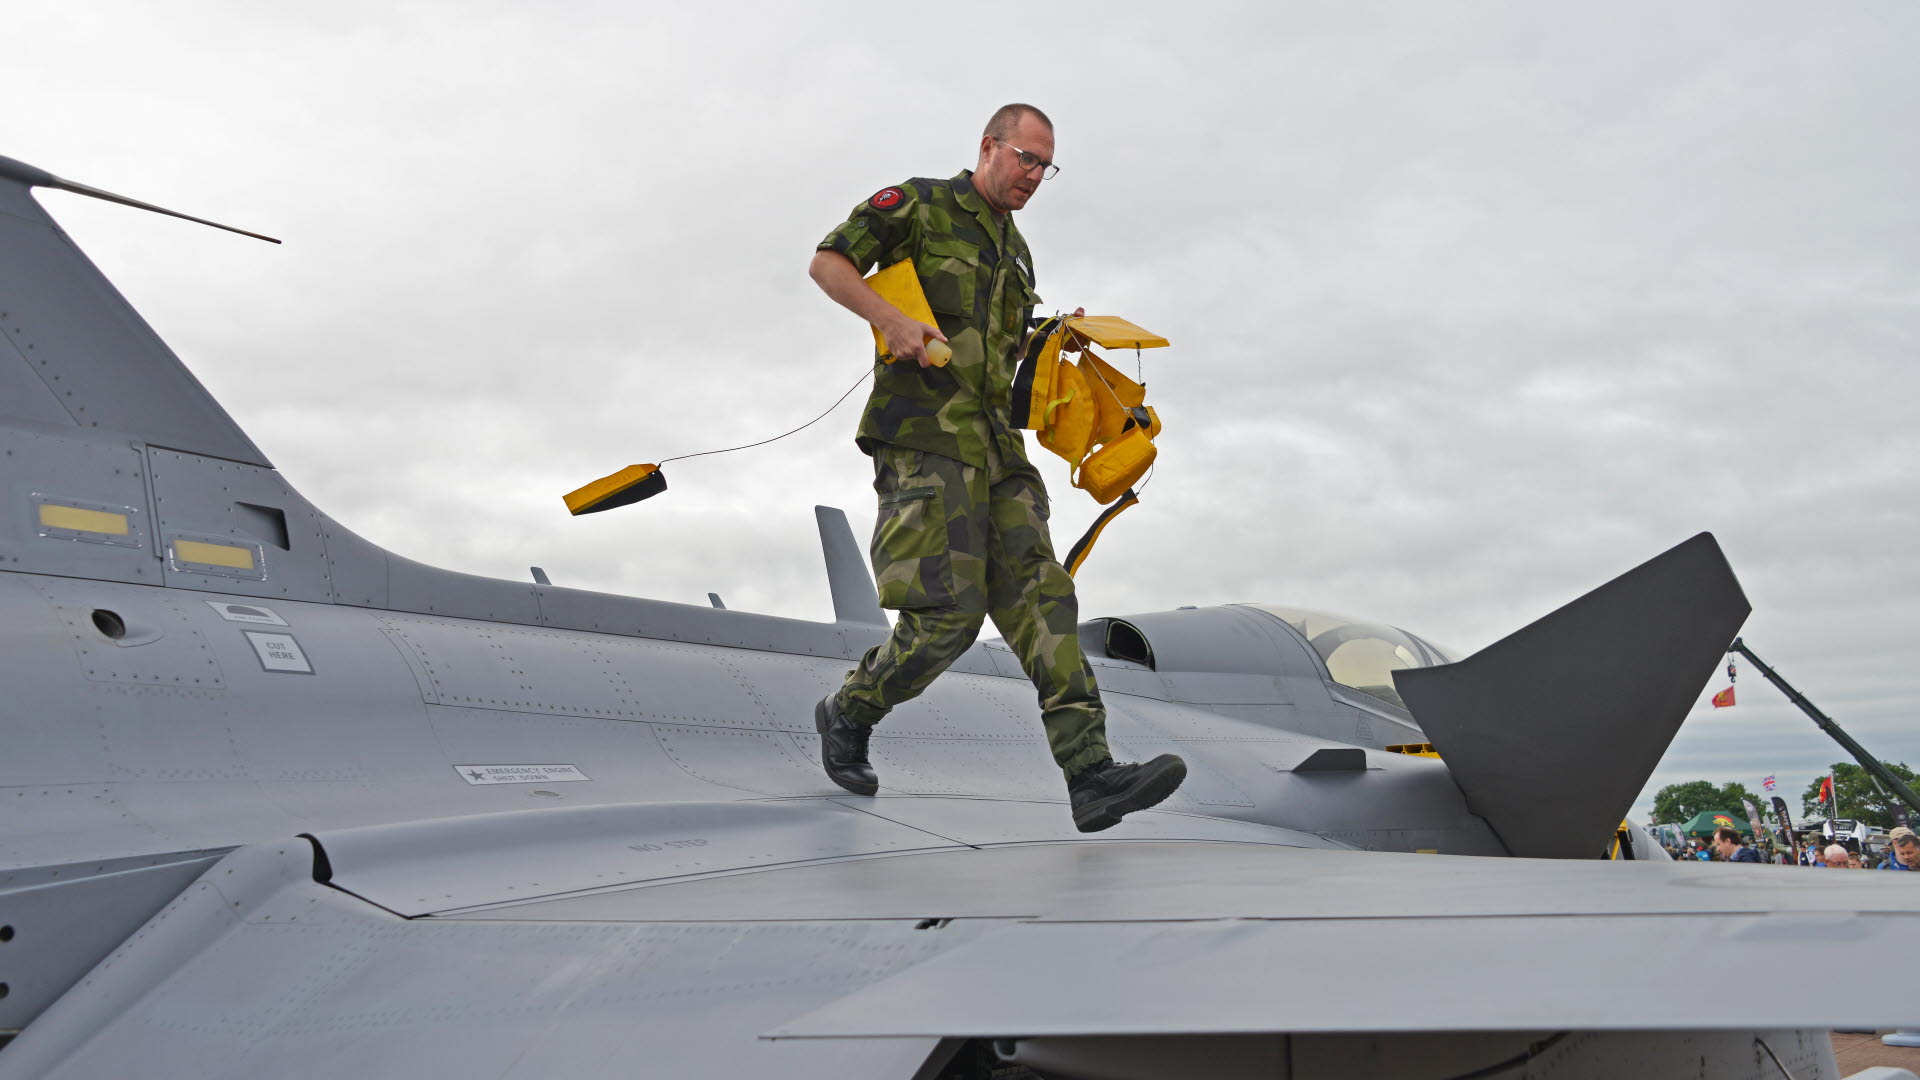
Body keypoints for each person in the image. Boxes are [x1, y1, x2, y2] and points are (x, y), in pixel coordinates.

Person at [807, 103, 1186, 832]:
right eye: (1026, 159)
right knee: (947, 618)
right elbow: (828, 261)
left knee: (1045, 599)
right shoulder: (917, 204)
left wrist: (1050, 343)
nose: (1035, 176)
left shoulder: (1017, 255)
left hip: (997, 449)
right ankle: (849, 710)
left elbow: (1002, 361)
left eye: (1047, 167)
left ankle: (1090, 775)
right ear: (990, 147)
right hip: (924, 437)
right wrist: (888, 320)